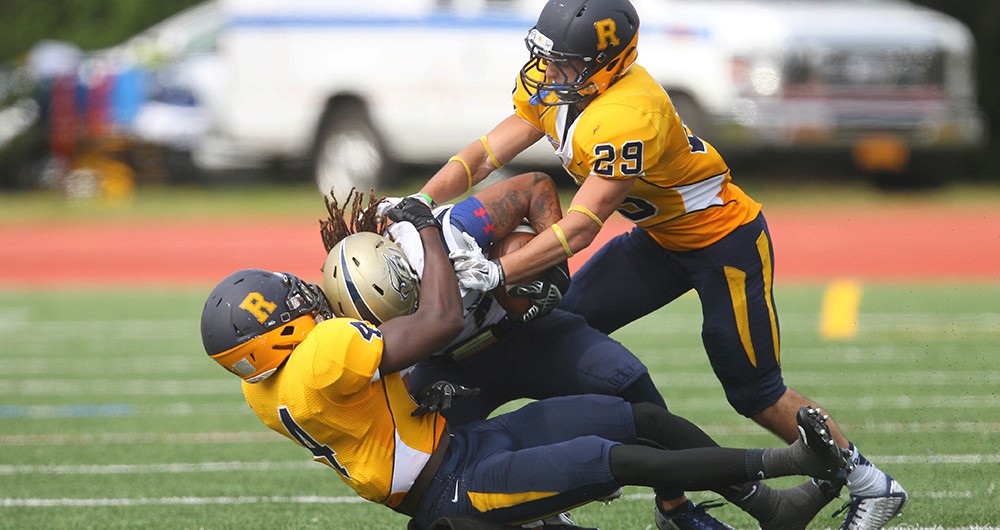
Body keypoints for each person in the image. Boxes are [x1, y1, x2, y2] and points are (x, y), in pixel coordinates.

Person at [412, 1, 907, 528]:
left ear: (607, 64)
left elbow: (581, 225)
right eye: (550, 58)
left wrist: (499, 273)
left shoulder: (628, 114)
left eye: (567, 63)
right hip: (659, 239)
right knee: (558, 329)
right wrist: (418, 204)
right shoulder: (557, 80)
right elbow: (487, 153)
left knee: (754, 392)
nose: (551, 71)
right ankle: (648, 501)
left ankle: (871, 483)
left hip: (723, 242)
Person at [200, 196, 850, 530]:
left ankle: (773, 509)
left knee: (641, 417)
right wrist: (426, 226)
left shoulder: (268, 388)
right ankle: (792, 462)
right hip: (453, 493)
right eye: (289, 305)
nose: (305, 298)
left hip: (455, 443)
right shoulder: (320, 353)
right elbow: (440, 322)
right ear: (277, 337)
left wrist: (421, 390)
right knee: (621, 459)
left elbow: (366, 401)